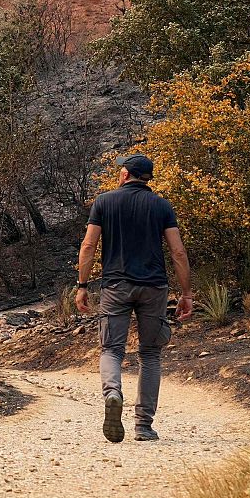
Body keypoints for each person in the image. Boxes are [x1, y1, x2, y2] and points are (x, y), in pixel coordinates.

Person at [73, 154, 191, 443]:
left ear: (126, 174)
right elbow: (178, 252)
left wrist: (82, 285)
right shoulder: (162, 206)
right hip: (154, 287)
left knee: (112, 349)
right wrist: (186, 293)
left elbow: (89, 245)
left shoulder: (104, 202)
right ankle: (143, 425)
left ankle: (113, 393)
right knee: (150, 354)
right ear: (146, 177)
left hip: (116, 286)